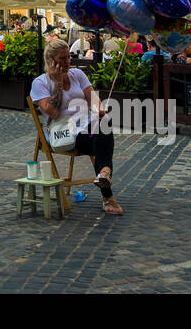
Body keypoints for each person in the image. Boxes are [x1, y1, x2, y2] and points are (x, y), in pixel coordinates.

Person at [31, 38, 122, 215]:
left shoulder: (77, 75)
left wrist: (99, 110)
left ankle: (104, 174)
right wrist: (57, 84)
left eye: (69, 57)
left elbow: (92, 96)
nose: (68, 62)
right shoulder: (40, 83)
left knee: (104, 124)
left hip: (85, 129)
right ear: (51, 61)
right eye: (63, 58)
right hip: (63, 132)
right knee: (101, 140)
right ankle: (107, 195)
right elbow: (53, 113)